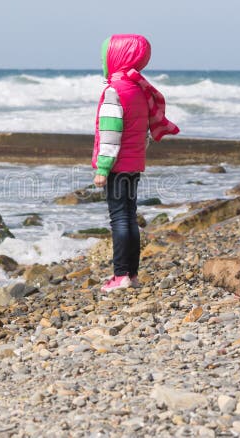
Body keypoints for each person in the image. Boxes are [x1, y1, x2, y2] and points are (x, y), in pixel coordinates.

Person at [92, 34, 180, 292]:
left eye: (105, 57)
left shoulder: (114, 91)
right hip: (134, 163)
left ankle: (120, 276)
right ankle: (131, 274)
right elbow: (141, 132)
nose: (103, 61)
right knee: (129, 217)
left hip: (117, 166)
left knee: (118, 218)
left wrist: (102, 168)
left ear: (115, 58)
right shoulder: (138, 90)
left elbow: (110, 134)